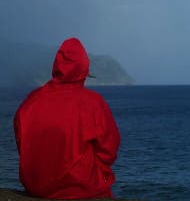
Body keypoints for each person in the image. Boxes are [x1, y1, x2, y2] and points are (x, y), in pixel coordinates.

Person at [13, 37, 121, 199]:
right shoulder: (92, 103)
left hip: (36, 186)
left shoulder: (30, 102)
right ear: (84, 70)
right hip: (79, 187)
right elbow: (109, 151)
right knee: (103, 184)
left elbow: (22, 144)